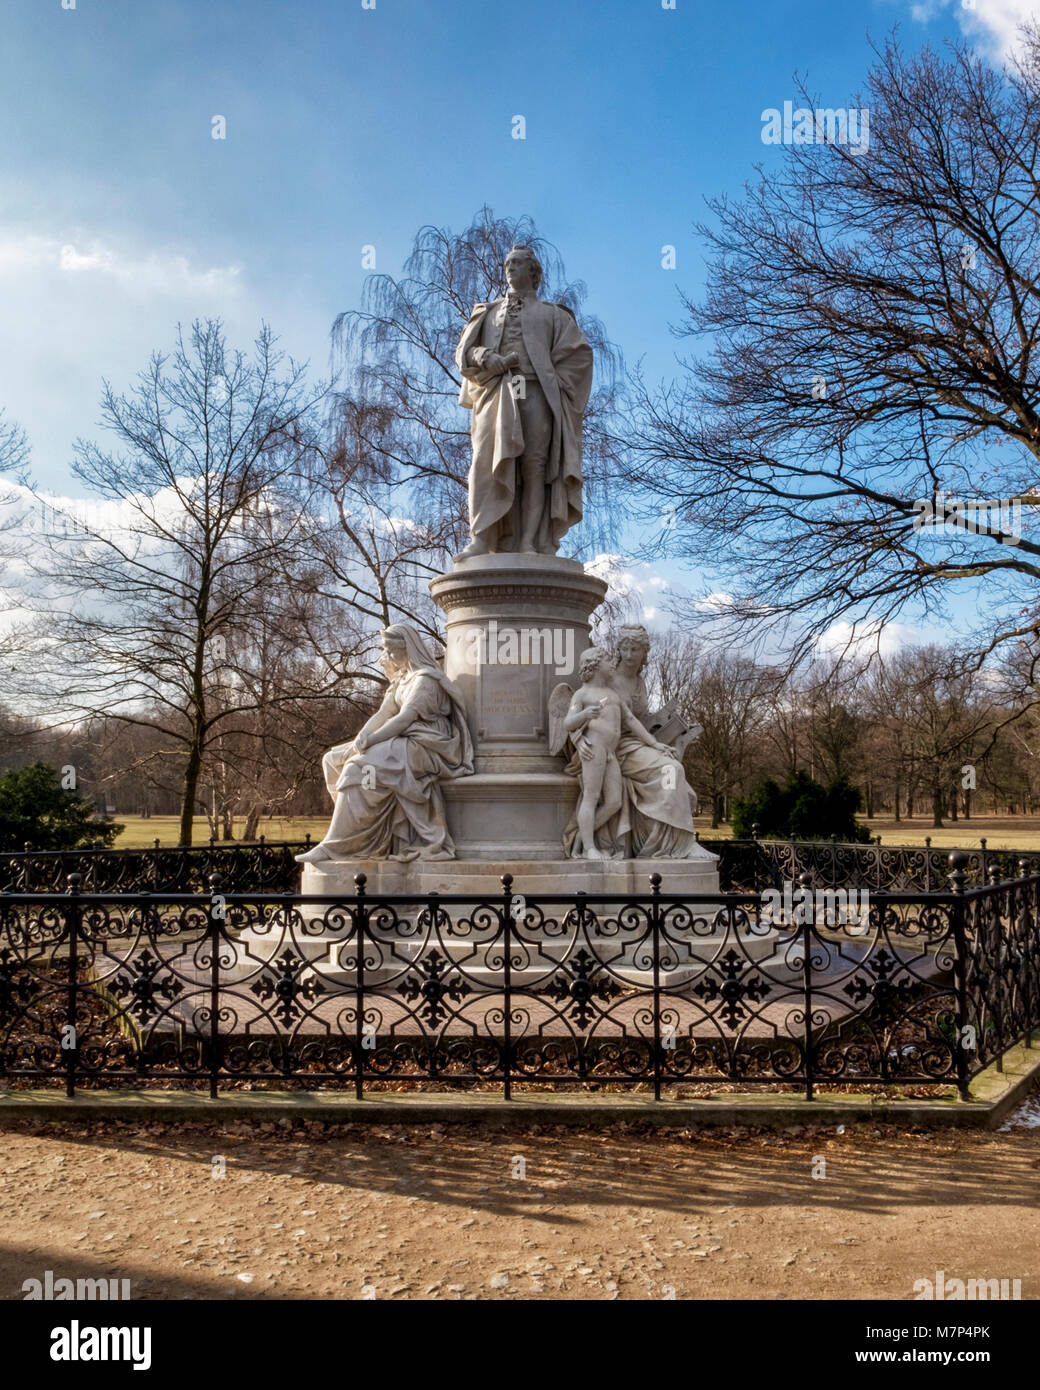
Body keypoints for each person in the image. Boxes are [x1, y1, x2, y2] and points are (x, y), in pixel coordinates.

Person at [454, 245, 593, 558]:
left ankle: (530, 541)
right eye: (507, 263)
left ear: (533, 272)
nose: (510, 268)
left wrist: (554, 381)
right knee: (486, 461)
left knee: (535, 467)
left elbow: (579, 356)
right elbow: (465, 353)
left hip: (535, 392)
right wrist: (485, 356)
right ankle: (482, 537)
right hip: (498, 393)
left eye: (517, 263)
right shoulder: (486, 312)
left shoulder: (553, 315)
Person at [296, 625, 474, 864]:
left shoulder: (426, 682)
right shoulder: (403, 680)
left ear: (407, 649)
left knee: (356, 767)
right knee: (331, 759)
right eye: (386, 650)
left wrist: (370, 742)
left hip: (429, 747)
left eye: (391, 651)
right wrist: (362, 736)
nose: (387, 657)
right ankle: (355, 833)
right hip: (406, 740)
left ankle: (337, 846)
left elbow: (403, 719)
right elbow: (383, 714)